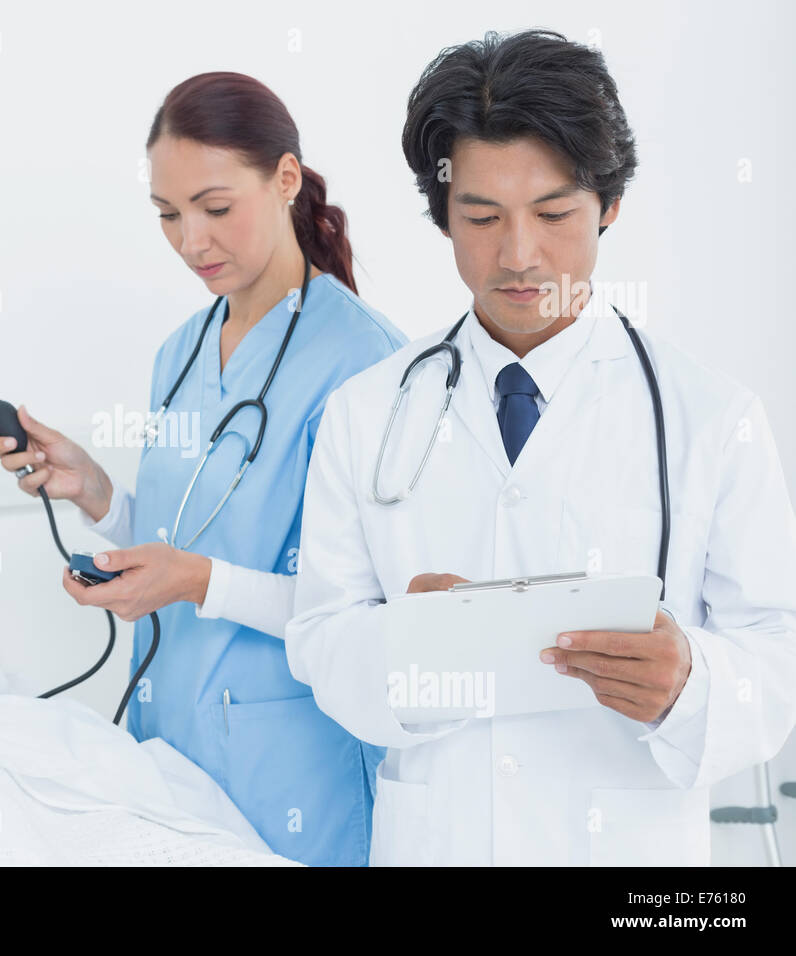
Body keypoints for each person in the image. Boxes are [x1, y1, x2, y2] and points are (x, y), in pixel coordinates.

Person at [285, 29, 796, 865]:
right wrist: (413, 649)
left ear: (610, 205)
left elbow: (779, 658)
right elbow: (320, 638)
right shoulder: (364, 412)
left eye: (554, 214)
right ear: (441, 213)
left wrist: (690, 684)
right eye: (480, 217)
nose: (518, 255)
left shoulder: (713, 417)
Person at [0, 72, 405, 865]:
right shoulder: (179, 355)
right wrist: (96, 494)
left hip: (292, 765)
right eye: (168, 215)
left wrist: (196, 582)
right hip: (168, 736)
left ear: (285, 179)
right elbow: (188, 538)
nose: (190, 242)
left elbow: (366, 614)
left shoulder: (366, 362)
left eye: (216, 208)